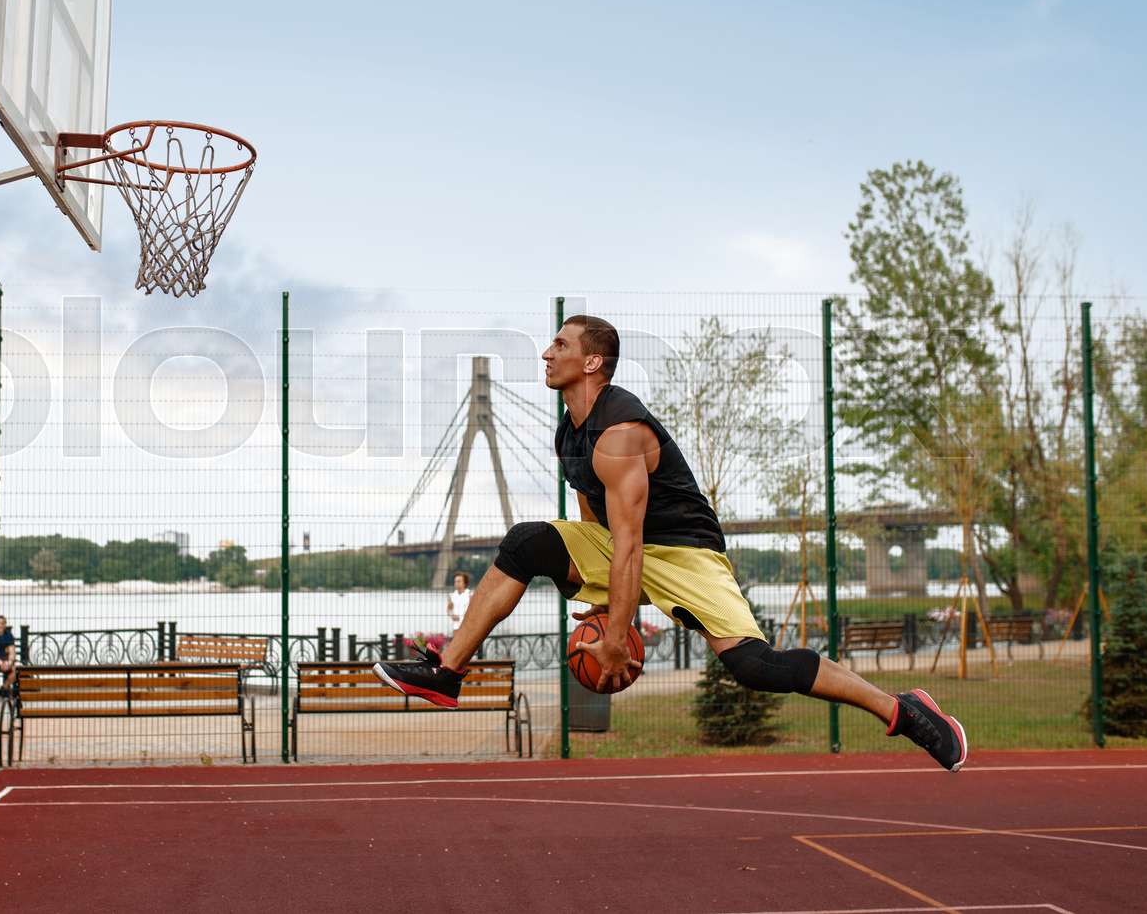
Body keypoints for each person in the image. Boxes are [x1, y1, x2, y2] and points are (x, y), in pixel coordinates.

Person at [374, 315, 968, 772]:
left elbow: (631, 546)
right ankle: (447, 672)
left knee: (754, 667)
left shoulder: (622, 431)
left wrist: (613, 635)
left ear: (592, 362)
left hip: (684, 551)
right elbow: (593, 514)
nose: (547, 352)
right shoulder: (569, 428)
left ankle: (902, 710)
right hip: (621, 543)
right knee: (527, 542)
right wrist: (595, 585)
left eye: (561, 344)